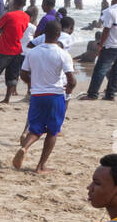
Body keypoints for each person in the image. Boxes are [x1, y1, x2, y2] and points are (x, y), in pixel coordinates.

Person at [14, 20, 75, 173]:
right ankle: (40, 166)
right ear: (59, 35)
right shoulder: (63, 54)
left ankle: (24, 147)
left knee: (35, 129)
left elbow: (23, 73)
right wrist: (69, 89)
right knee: (53, 131)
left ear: (43, 35)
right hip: (55, 95)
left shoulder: (32, 52)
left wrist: (32, 83)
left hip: (37, 95)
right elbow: (71, 79)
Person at [82, 0, 117, 99]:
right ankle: (110, 94)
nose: (111, 1)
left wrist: (100, 45)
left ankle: (92, 94)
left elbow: (106, 30)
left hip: (111, 45)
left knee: (100, 69)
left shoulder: (111, 11)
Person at [0, 0, 30, 103]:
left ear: (13, 2)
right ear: (24, 4)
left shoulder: (8, 15)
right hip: (17, 50)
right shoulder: (26, 17)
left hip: (3, 49)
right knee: (12, 77)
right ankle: (6, 99)